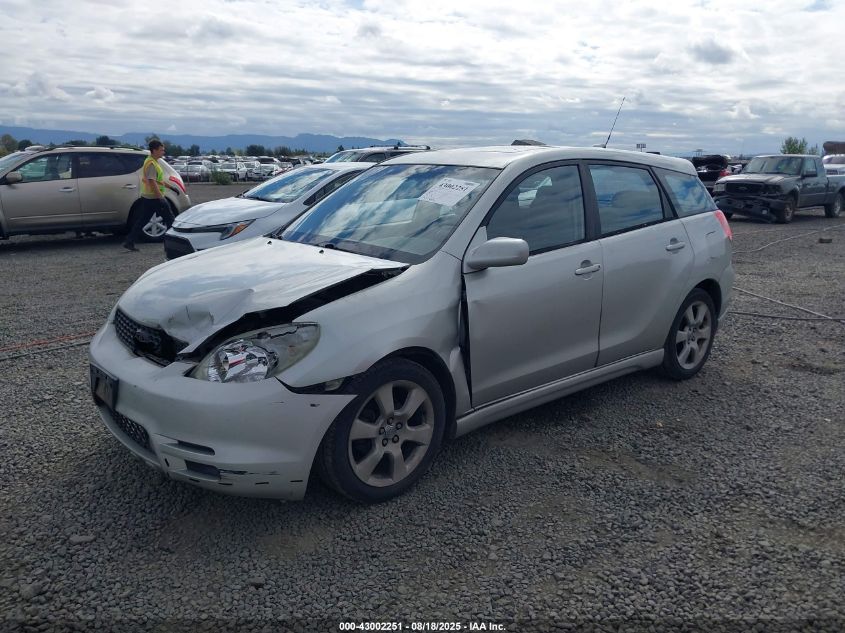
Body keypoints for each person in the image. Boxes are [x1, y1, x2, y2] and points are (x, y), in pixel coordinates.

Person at [123, 140, 174, 251]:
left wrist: (170, 187)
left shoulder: (151, 161)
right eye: (161, 150)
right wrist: (160, 197)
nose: (163, 152)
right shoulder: (151, 163)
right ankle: (174, 244)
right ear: (154, 150)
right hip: (154, 198)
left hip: (148, 197)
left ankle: (129, 241)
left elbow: (156, 179)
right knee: (170, 220)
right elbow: (152, 181)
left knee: (143, 220)